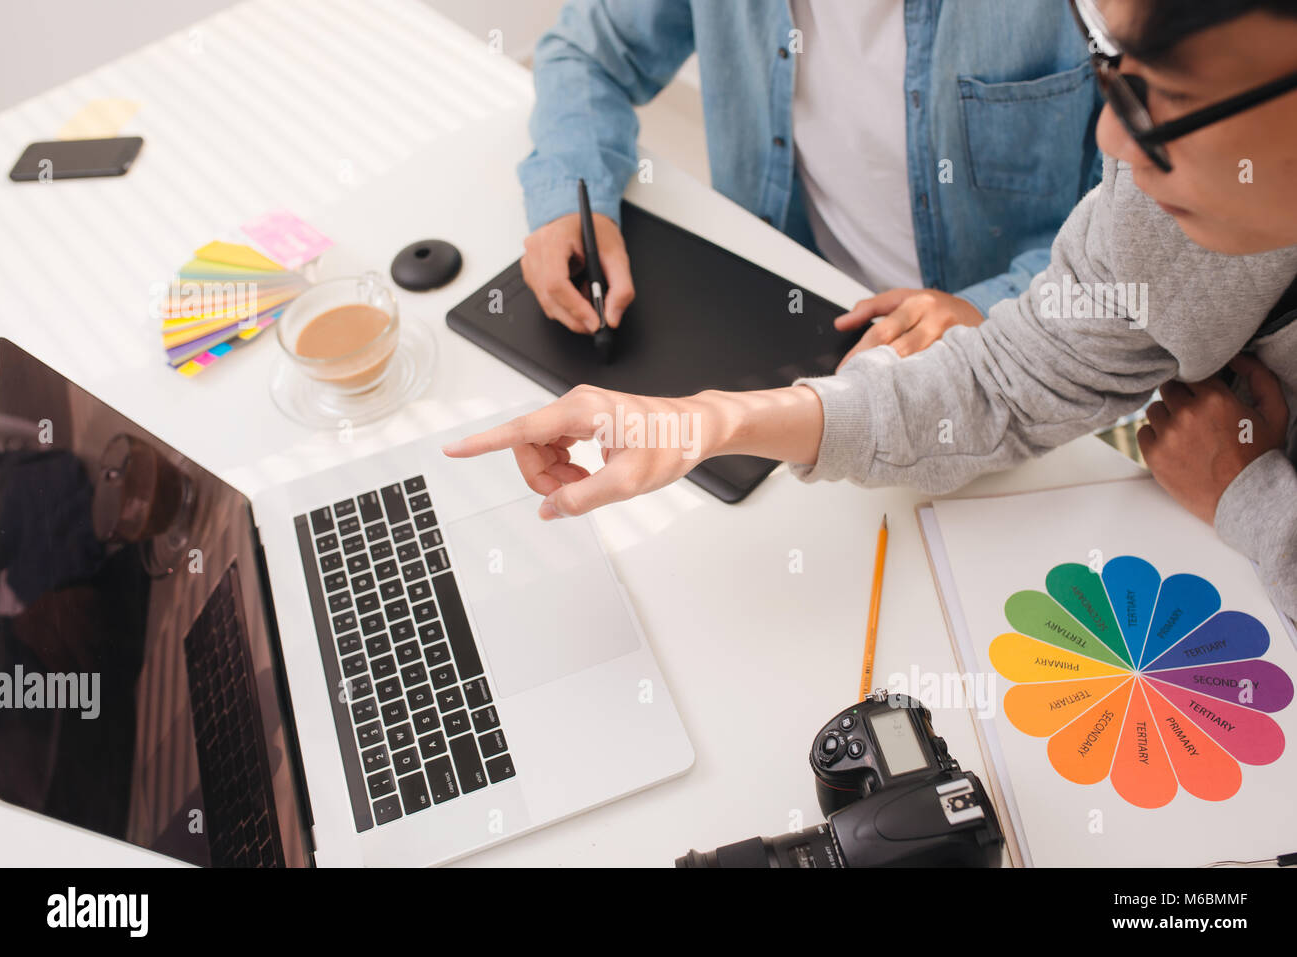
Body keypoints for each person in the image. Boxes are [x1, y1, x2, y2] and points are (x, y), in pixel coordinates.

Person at [445, 0, 1297, 619]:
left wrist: (1256, 502)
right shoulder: (1164, 210)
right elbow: (1009, 379)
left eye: (1164, 106)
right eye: (1108, 65)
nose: (1115, 142)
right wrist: (709, 422)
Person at [517, 0, 1103, 360]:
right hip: (787, 323)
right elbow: (586, 53)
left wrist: (990, 311)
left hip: (1024, 353)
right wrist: (573, 191)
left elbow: (1151, 226)